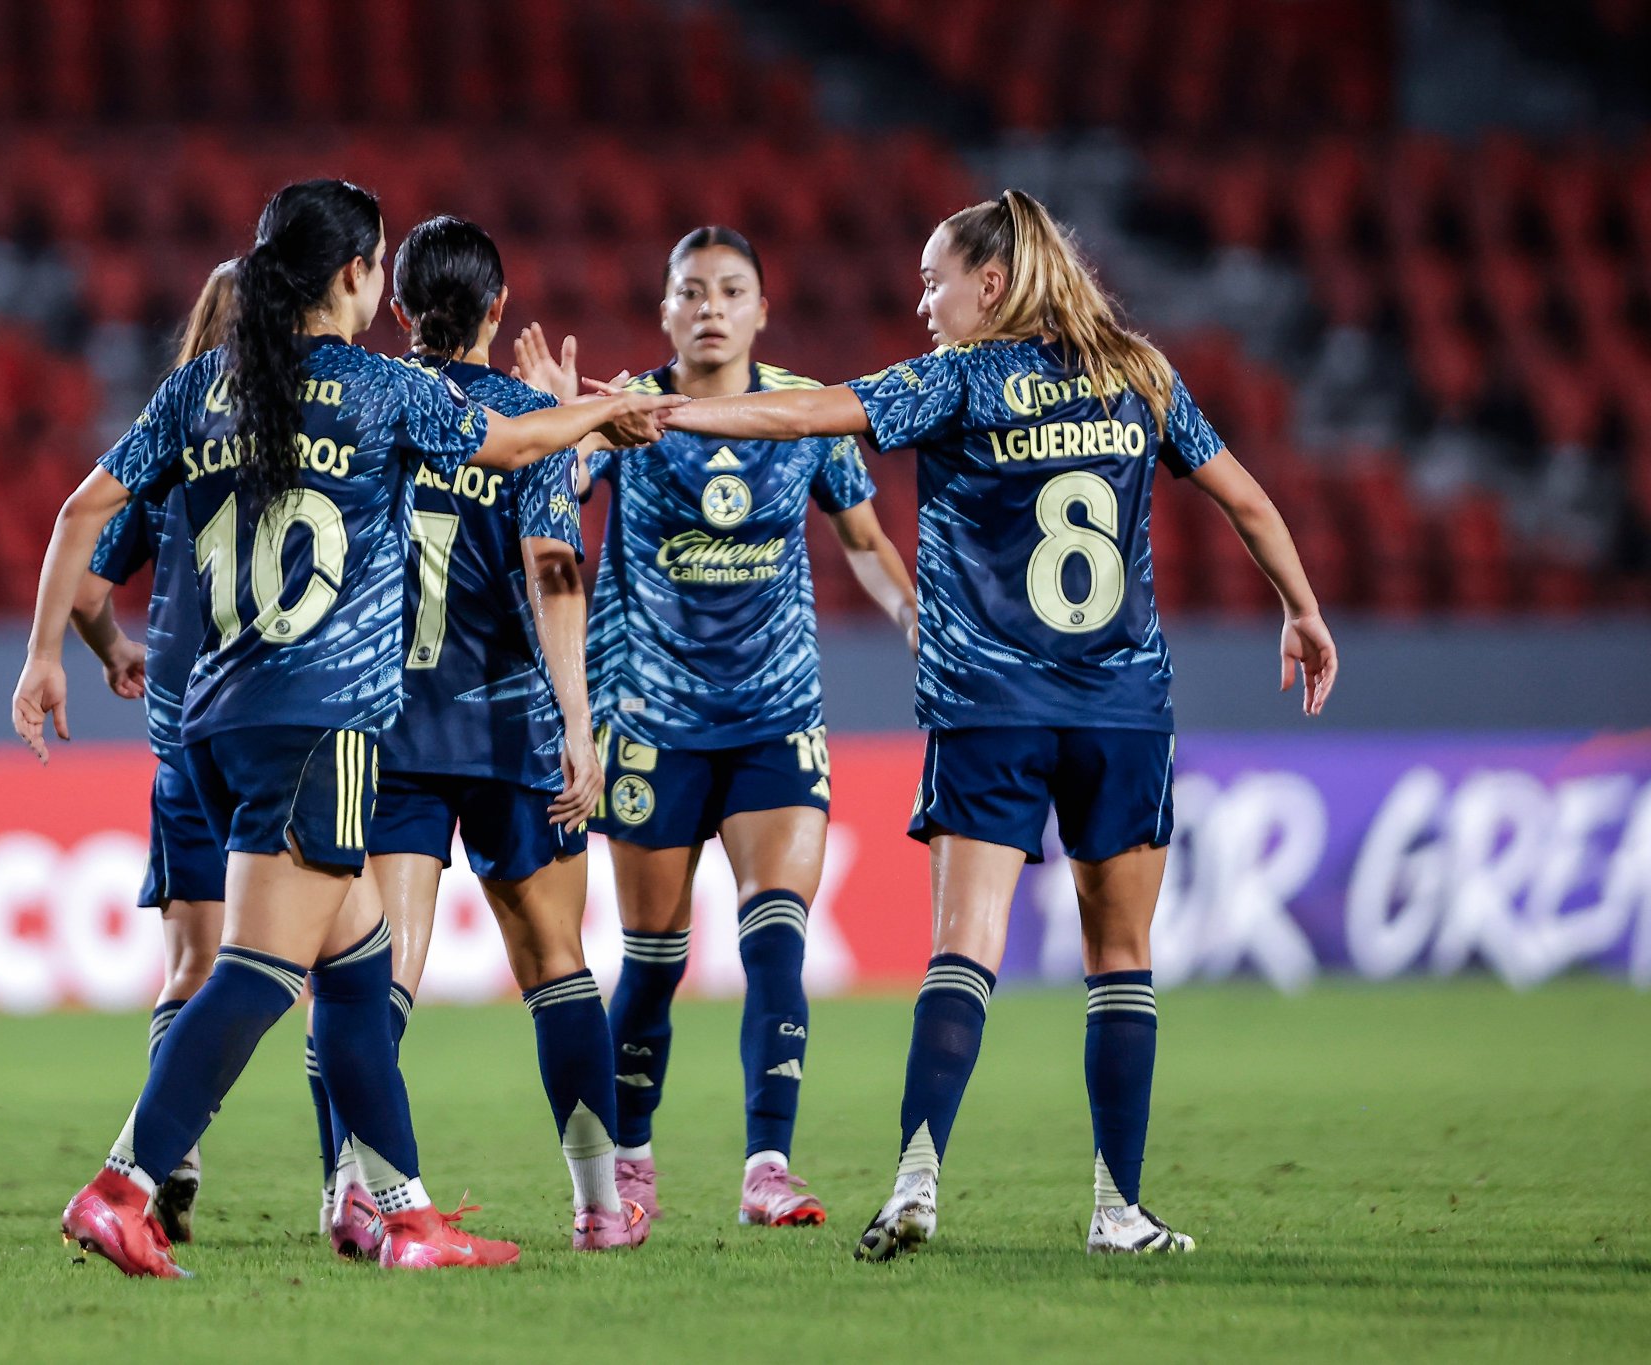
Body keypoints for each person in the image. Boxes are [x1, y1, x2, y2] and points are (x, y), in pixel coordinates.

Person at [652, 189, 1340, 1260]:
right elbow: (1244, 500)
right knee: (1118, 958)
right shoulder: (1136, 376)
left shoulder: (959, 381)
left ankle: (915, 1183)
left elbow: (802, 412)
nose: (920, 300)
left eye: (934, 279)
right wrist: (1299, 609)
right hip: (1120, 709)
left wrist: (671, 410)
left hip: (989, 710)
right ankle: (1117, 1211)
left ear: (991, 281)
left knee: (961, 948)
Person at [11, 178, 679, 1277]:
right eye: (369, 263)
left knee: (361, 969)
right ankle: (121, 1186)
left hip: (218, 728)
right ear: (356, 275)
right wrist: (601, 414)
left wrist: (45, 652)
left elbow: (80, 513)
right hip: (323, 725)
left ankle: (406, 1216)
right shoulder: (375, 391)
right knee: (263, 971)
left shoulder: (199, 391)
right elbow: (512, 448)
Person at [516, 226, 918, 1229]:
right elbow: (555, 504)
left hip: (773, 716)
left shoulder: (803, 414)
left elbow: (863, 539)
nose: (708, 305)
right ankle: (633, 1163)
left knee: (777, 930)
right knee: (654, 960)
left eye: (729, 289)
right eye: (689, 290)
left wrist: (917, 621)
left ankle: (767, 1165)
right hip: (650, 721)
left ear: (759, 311)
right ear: (662, 312)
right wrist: (569, 430)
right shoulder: (627, 415)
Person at [304, 215, 644, 1258]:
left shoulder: (374, 404)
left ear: (400, 309)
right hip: (508, 727)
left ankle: (354, 1191)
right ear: (498, 310)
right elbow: (554, 570)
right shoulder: (521, 418)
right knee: (556, 964)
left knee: (374, 973)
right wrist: (579, 725)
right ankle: (597, 1207)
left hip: (386, 726)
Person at [66, 260, 236, 1245]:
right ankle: (358, 1177)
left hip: (185, 739)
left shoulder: (170, 442)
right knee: (336, 965)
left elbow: (88, 585)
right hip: (293, 735)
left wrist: (112, 650)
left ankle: (170, 1148)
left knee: (192, 961)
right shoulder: (331, 432)